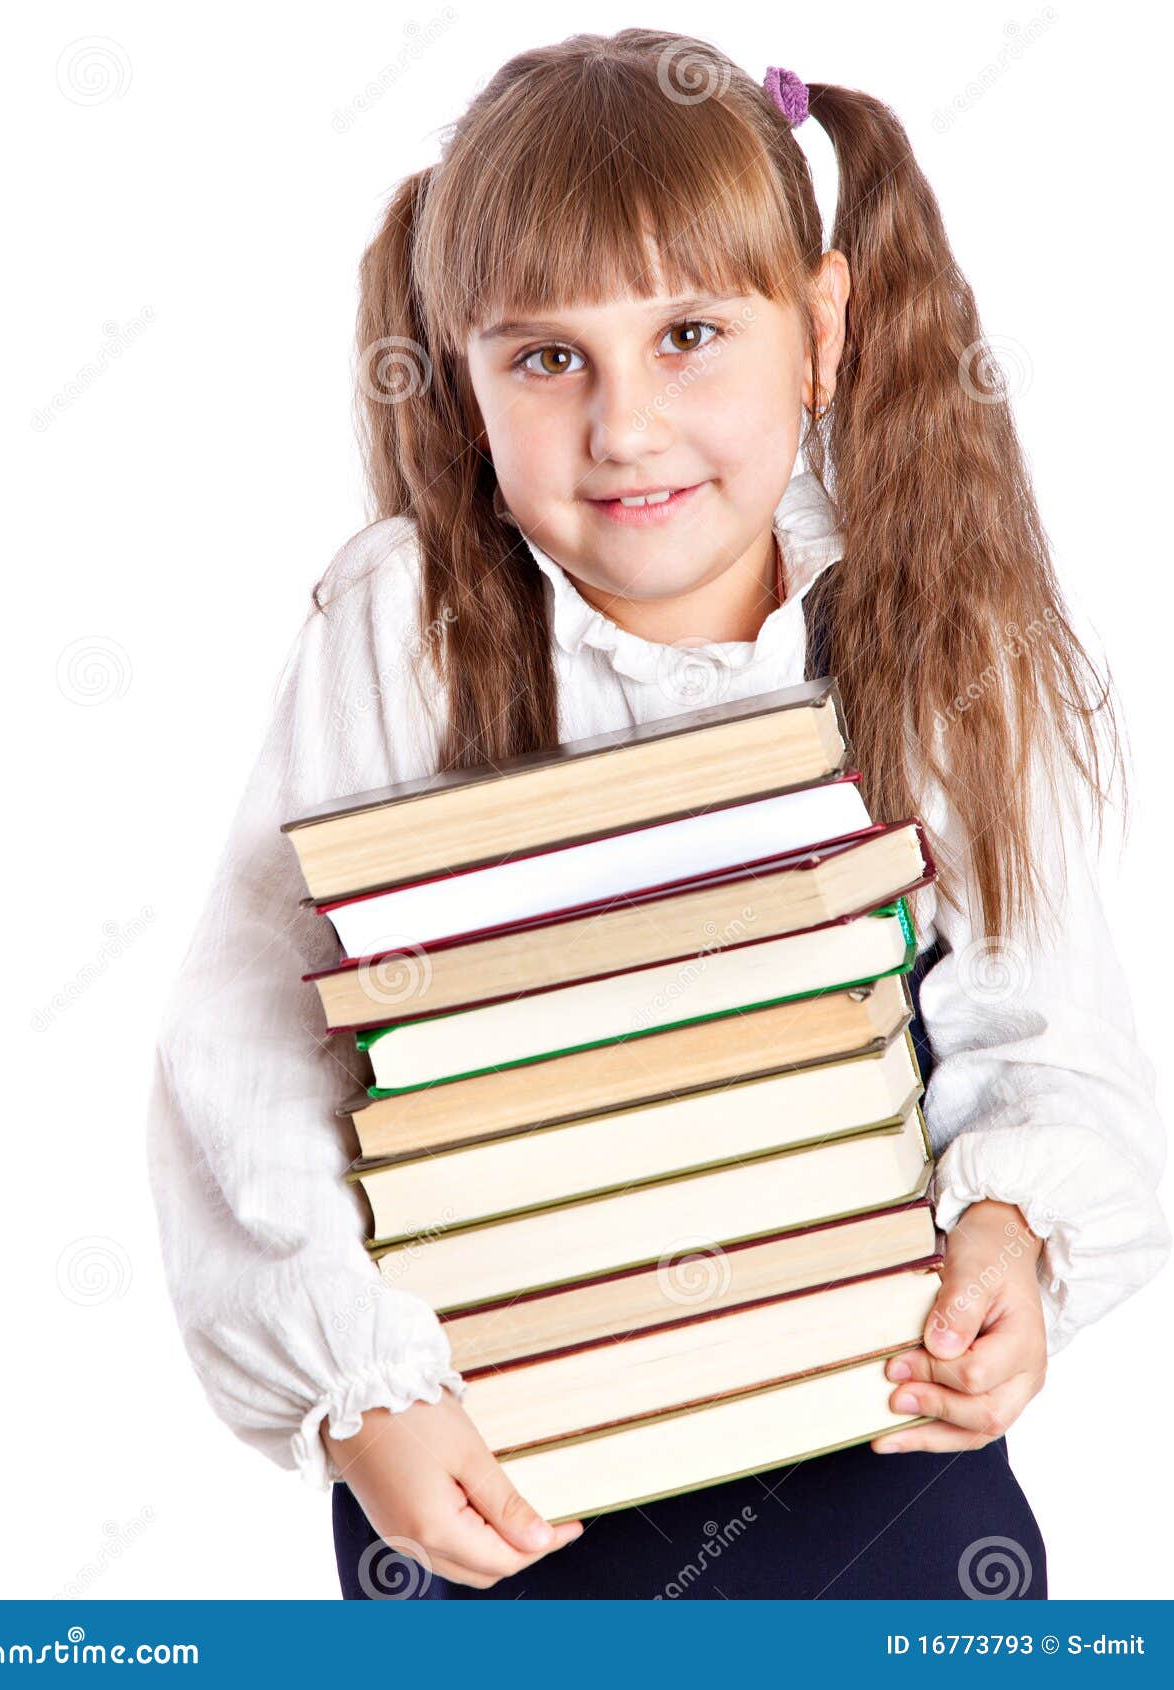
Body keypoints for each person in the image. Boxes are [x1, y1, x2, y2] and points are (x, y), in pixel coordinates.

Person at [146, 32, 1171, 1598]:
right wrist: (358, 1392)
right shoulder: (405, 624)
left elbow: (1048, 1023)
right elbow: (252, 1042)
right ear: (460, 366)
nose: (623, 425)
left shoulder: (926, 630)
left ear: (822, 328)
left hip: (869, 1462)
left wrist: (1016, 1237)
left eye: (689, 332)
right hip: (490, 1475)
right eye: (547, 358)